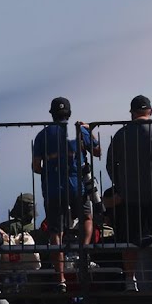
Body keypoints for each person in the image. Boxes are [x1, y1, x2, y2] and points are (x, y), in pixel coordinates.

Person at [106, 95, 152, 291]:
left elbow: (110, 164)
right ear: (151, 111)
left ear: (132, 113)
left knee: (129, 241)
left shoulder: (121, 134)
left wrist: (120, 185)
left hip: (130, 197)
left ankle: (130, 281)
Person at [32, 96, 101, 287]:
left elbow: (36, 167)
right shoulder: (78, 130)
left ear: (52, 114)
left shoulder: (42, 136)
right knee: (87, 218)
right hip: (77, 184)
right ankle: (84, 256)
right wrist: (89, 131)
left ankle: (60, 277)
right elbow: (97, 151)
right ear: (69, 113)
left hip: (53, 187)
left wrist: (49, 166)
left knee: (56, 231)